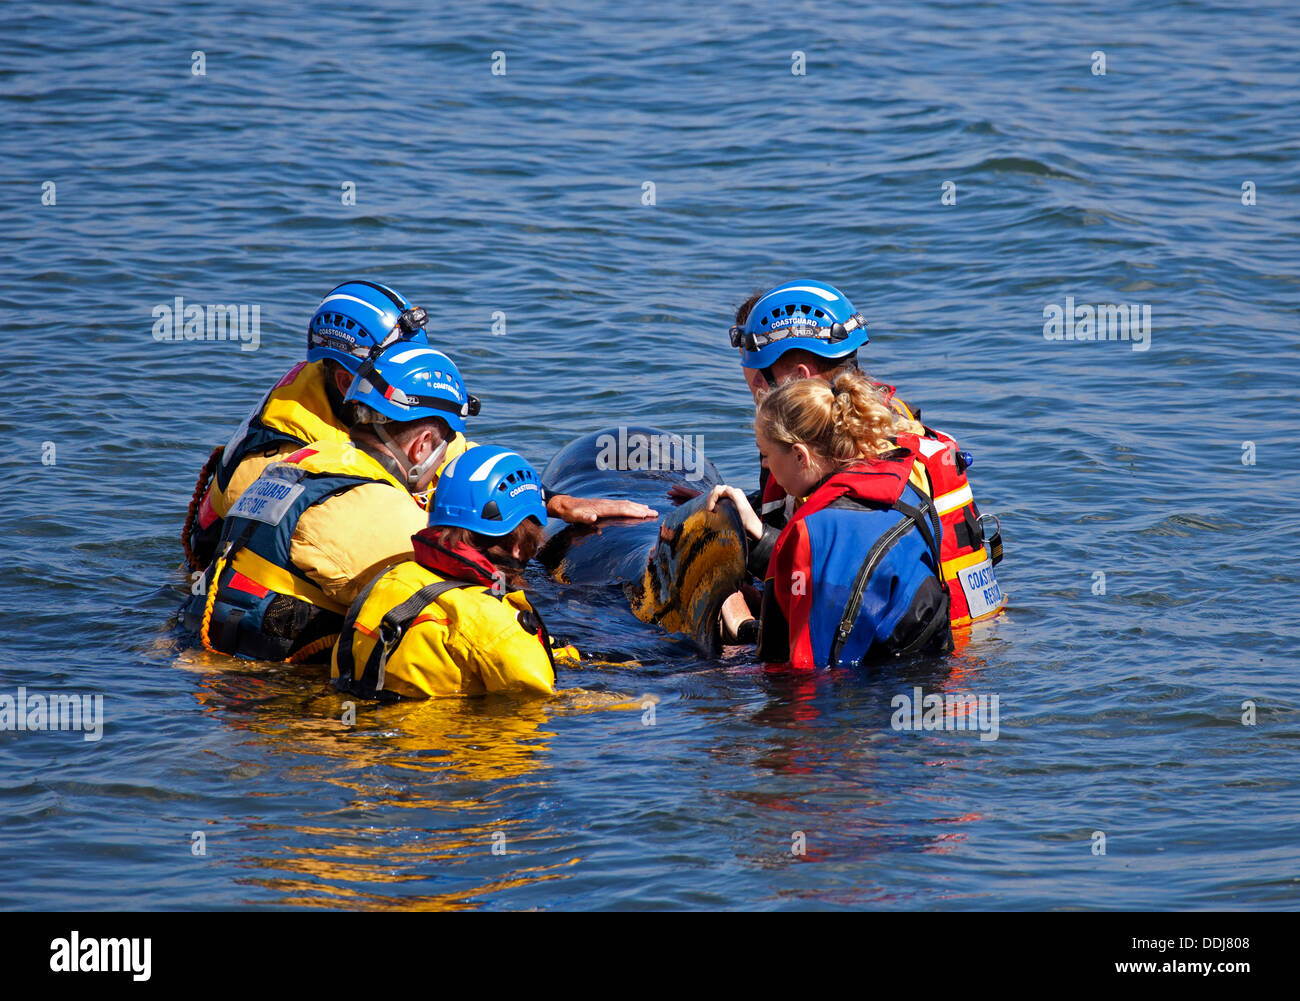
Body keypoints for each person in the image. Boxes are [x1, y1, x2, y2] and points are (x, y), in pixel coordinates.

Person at [185, 280, 657, 571]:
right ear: (349, 375)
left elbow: (453, 459)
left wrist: (549, 501)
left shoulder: (354, 405)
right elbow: (378, 542)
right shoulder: (280, 459)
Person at [710, 278, 1003, 635]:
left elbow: (841, 586)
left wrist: (744, 623)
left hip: (925, 668)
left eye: (759, 389)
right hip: (955, 637)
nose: (759, 406)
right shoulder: (871, 421)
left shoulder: (863, 465)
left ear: (797, 380)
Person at [181, 345, 481, 662]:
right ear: (423, 446)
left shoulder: (305, 459)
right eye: (446, 444)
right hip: (267, 693)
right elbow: (470, 619)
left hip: (199, 652)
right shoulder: (377, 511)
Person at [707, 370, 953, 670]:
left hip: (862, 703)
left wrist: (740, 624)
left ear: (800, 456)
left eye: (767, 455)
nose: (766, 467)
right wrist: (758, 536)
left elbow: (801, 671)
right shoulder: (904, 489)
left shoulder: (814, 531)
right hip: (927, 680)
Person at [332, 445, 568, 699]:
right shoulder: (495, 623)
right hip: (442, 733)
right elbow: (539, 697)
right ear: (520, 548)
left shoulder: (386, 580)